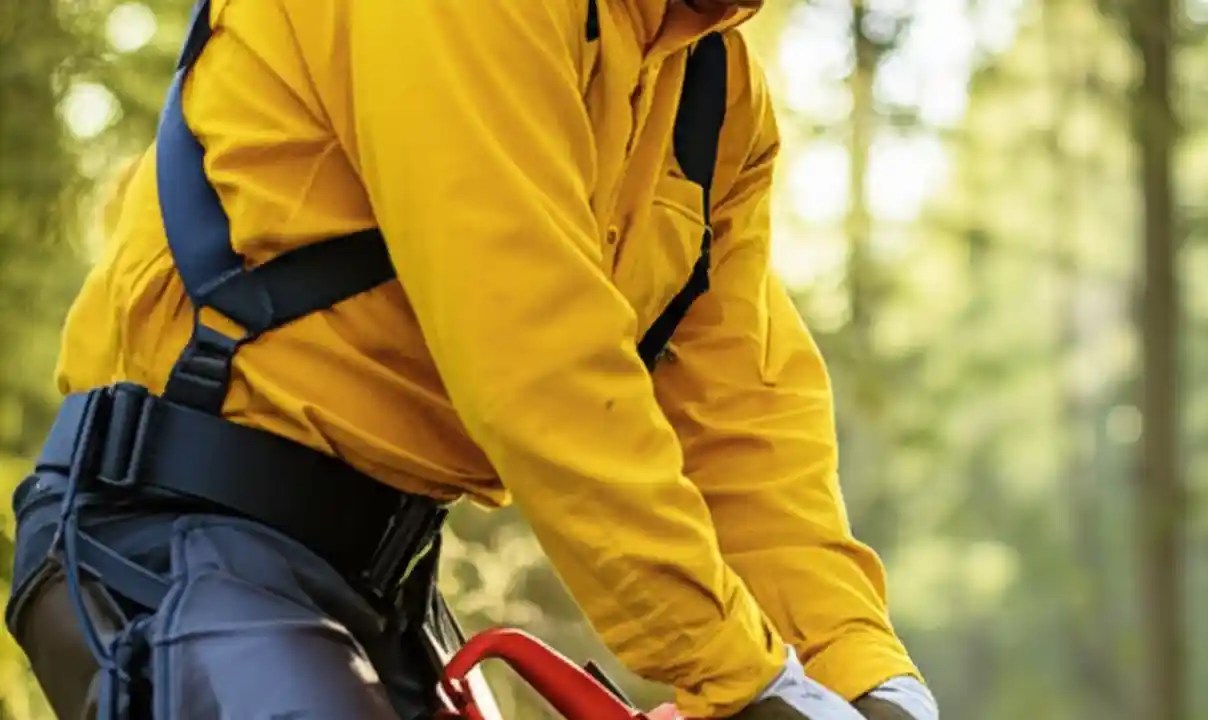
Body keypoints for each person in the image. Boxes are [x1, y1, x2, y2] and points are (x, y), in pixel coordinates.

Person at [4, 0, 938, 718]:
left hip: (383, 592)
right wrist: (744, 678)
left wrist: (861, 675)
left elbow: (742, 429)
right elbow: (538, 354)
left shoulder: (713, 98)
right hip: (169, 534)